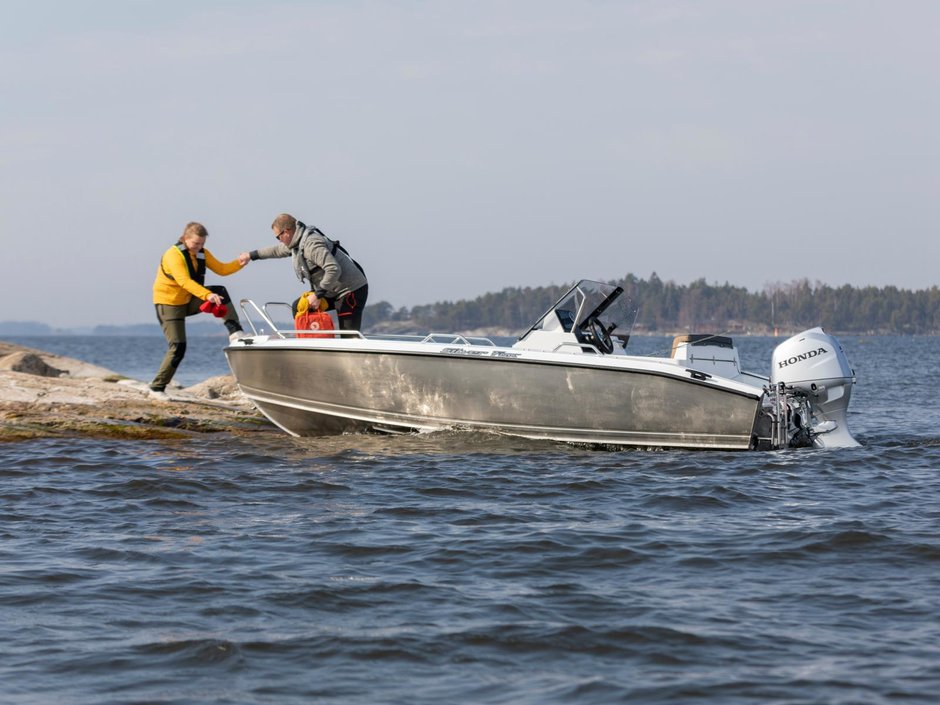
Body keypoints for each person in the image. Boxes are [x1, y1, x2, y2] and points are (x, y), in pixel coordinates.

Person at [150, 221, 247, 399]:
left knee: (220, 291)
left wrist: (240, 262)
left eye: (202, 244)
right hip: (168, 304)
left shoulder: (202, 253)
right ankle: (156, 388)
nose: (198, 247)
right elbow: (184, 281)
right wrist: (207, 296)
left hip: (188, 300)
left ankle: (236, 332)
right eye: (195, 243)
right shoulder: (173, 255)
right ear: (185, 239)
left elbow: (222, 269)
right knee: (178, 346)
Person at [238, 213, 368, 331]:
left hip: (350, 290)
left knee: (349, 337)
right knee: (299, 306)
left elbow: (333, 269)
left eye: (278, 237)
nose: (279, 241)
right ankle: (311, 344)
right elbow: (276, 251)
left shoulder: (311, 244)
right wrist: (250, 255)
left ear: (287, 232)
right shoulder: (296, 243)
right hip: (331, 290)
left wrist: (318, 295)